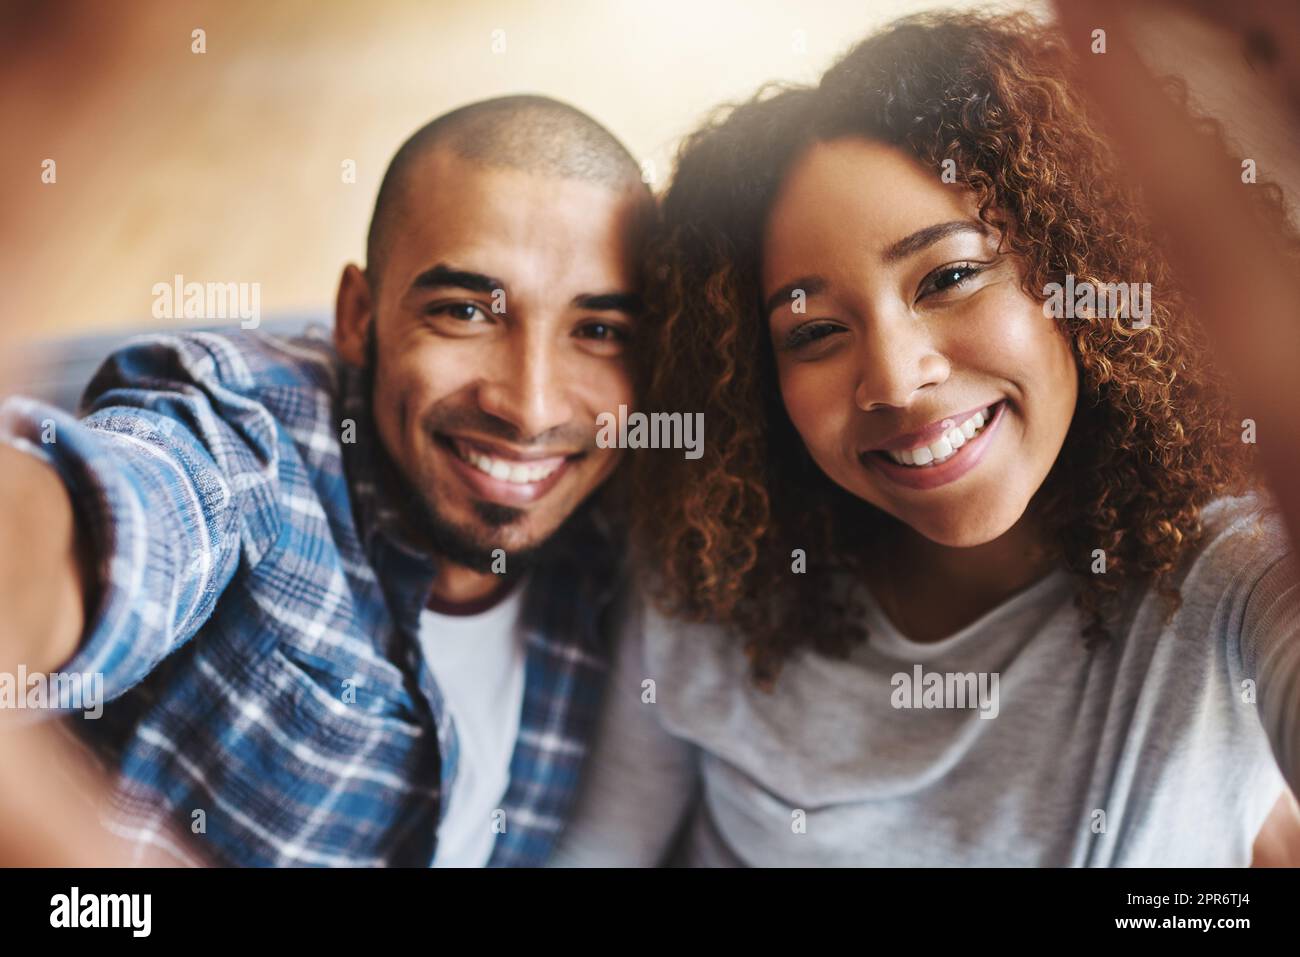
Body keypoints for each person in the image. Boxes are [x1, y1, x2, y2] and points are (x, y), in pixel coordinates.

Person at [552, 11, 1300, 866]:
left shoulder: (1230, 571)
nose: (896, 381)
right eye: (814, 333)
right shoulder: (712, 565)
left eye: (949, 278)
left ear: (1080, 274)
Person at [0, 94, 653, 866]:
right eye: (466, 312)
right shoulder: (250, 434)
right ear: (357, 316)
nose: (531, 406)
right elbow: (120, 512)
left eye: (599, 331)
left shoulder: (639, 544)